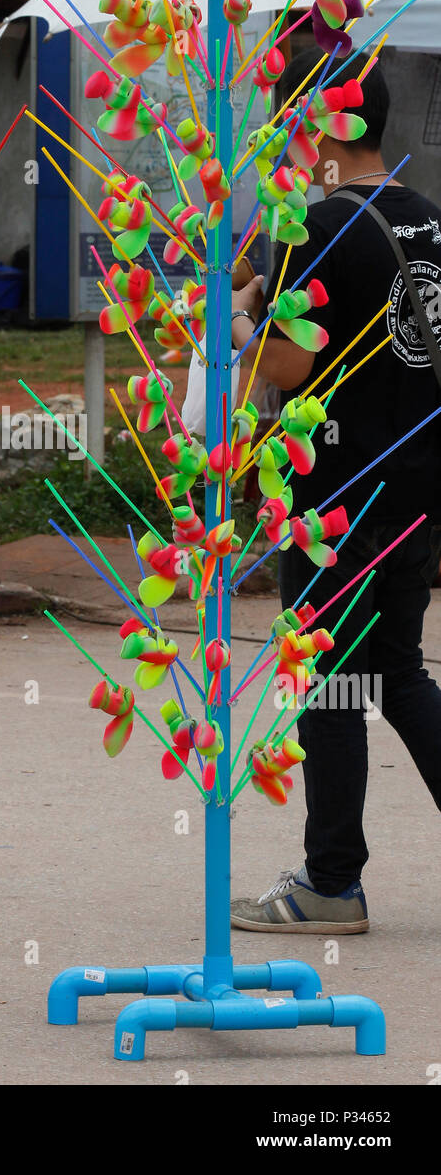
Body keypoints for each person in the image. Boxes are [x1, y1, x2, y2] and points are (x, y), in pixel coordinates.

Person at [229, 47, 441, 933]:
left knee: (328, 682)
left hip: (335, 495)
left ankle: (329, 882)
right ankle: (331, 876)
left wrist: (240, 318)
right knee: (393, 669)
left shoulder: (311, 227)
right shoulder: (426, 219)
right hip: (417, 479)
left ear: (314, 123)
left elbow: (285, 361)